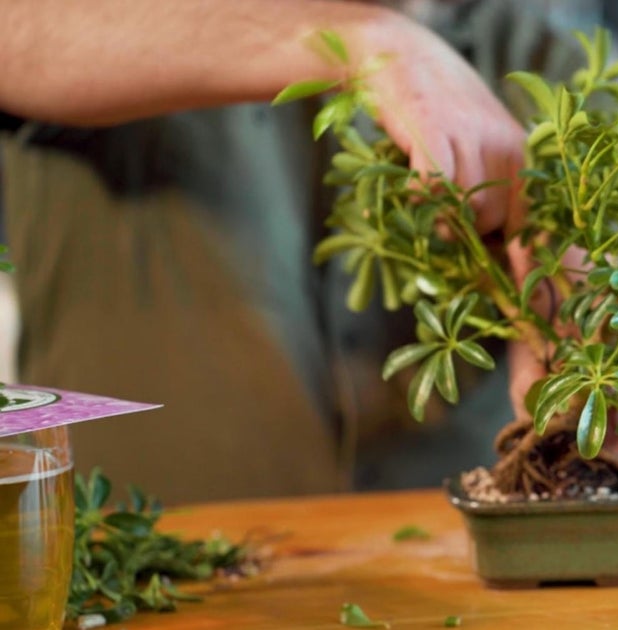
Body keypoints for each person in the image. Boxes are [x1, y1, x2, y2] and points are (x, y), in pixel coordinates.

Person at [0, 0, 533, 502]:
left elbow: (588, 145)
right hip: (151, 555)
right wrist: (366, 42)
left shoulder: (505, 19)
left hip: (453, 558)